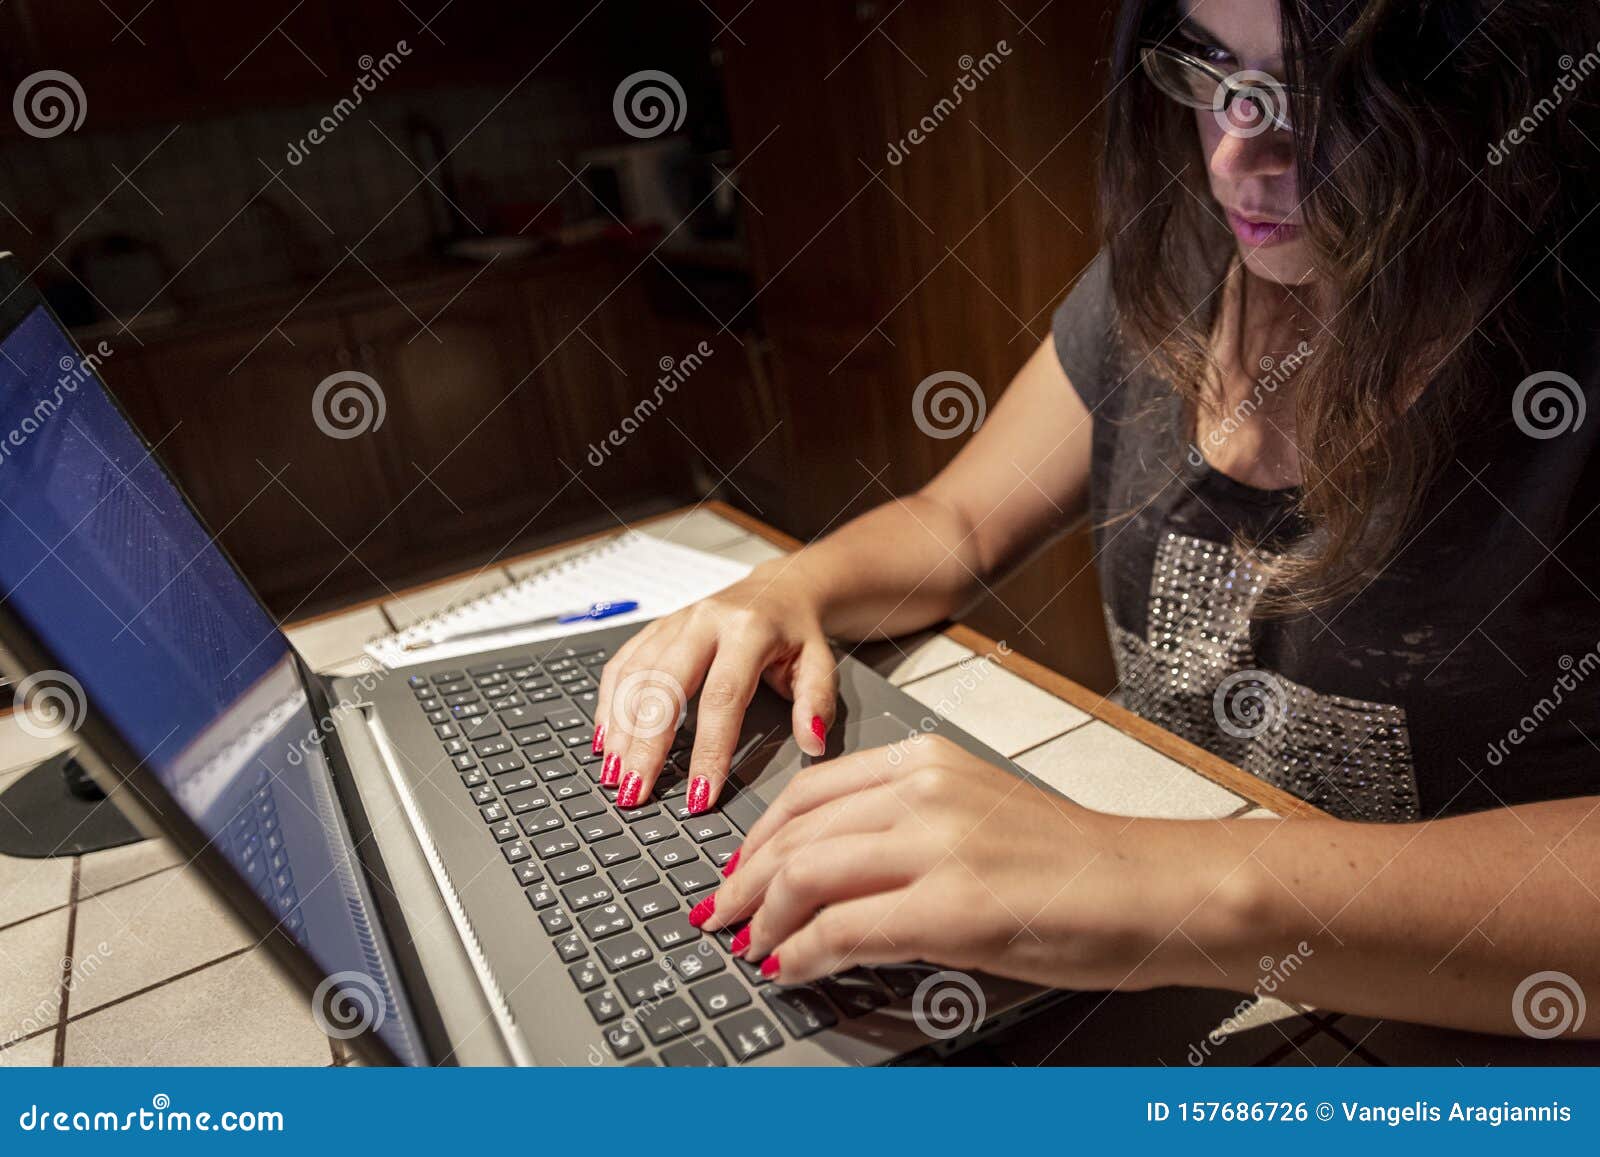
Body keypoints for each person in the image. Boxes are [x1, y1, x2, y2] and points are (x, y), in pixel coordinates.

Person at [592, 0, 1600, 1037]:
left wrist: (1155, 886)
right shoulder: (1178, 271)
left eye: (1321, 92)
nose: (1236, 151)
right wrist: (788, 587)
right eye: (1211, 63)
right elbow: (957, 522)